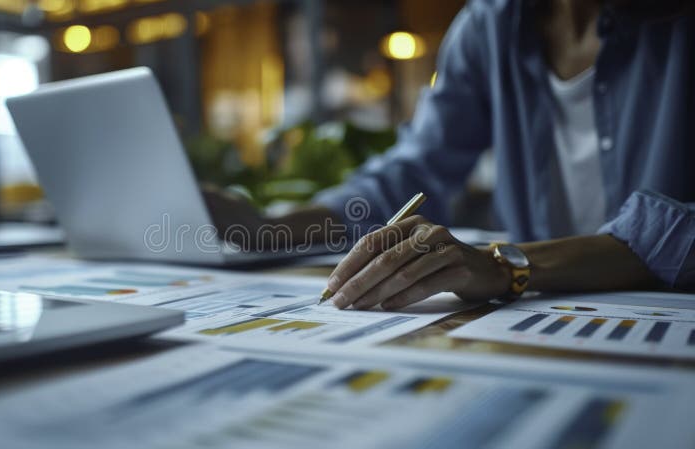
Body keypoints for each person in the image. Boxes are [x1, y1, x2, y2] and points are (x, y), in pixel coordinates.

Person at [205, 0, 694, 310]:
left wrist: (505, 266)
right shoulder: (490, 25)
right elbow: (417, 169)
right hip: (542, 313)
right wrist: (269, 227)